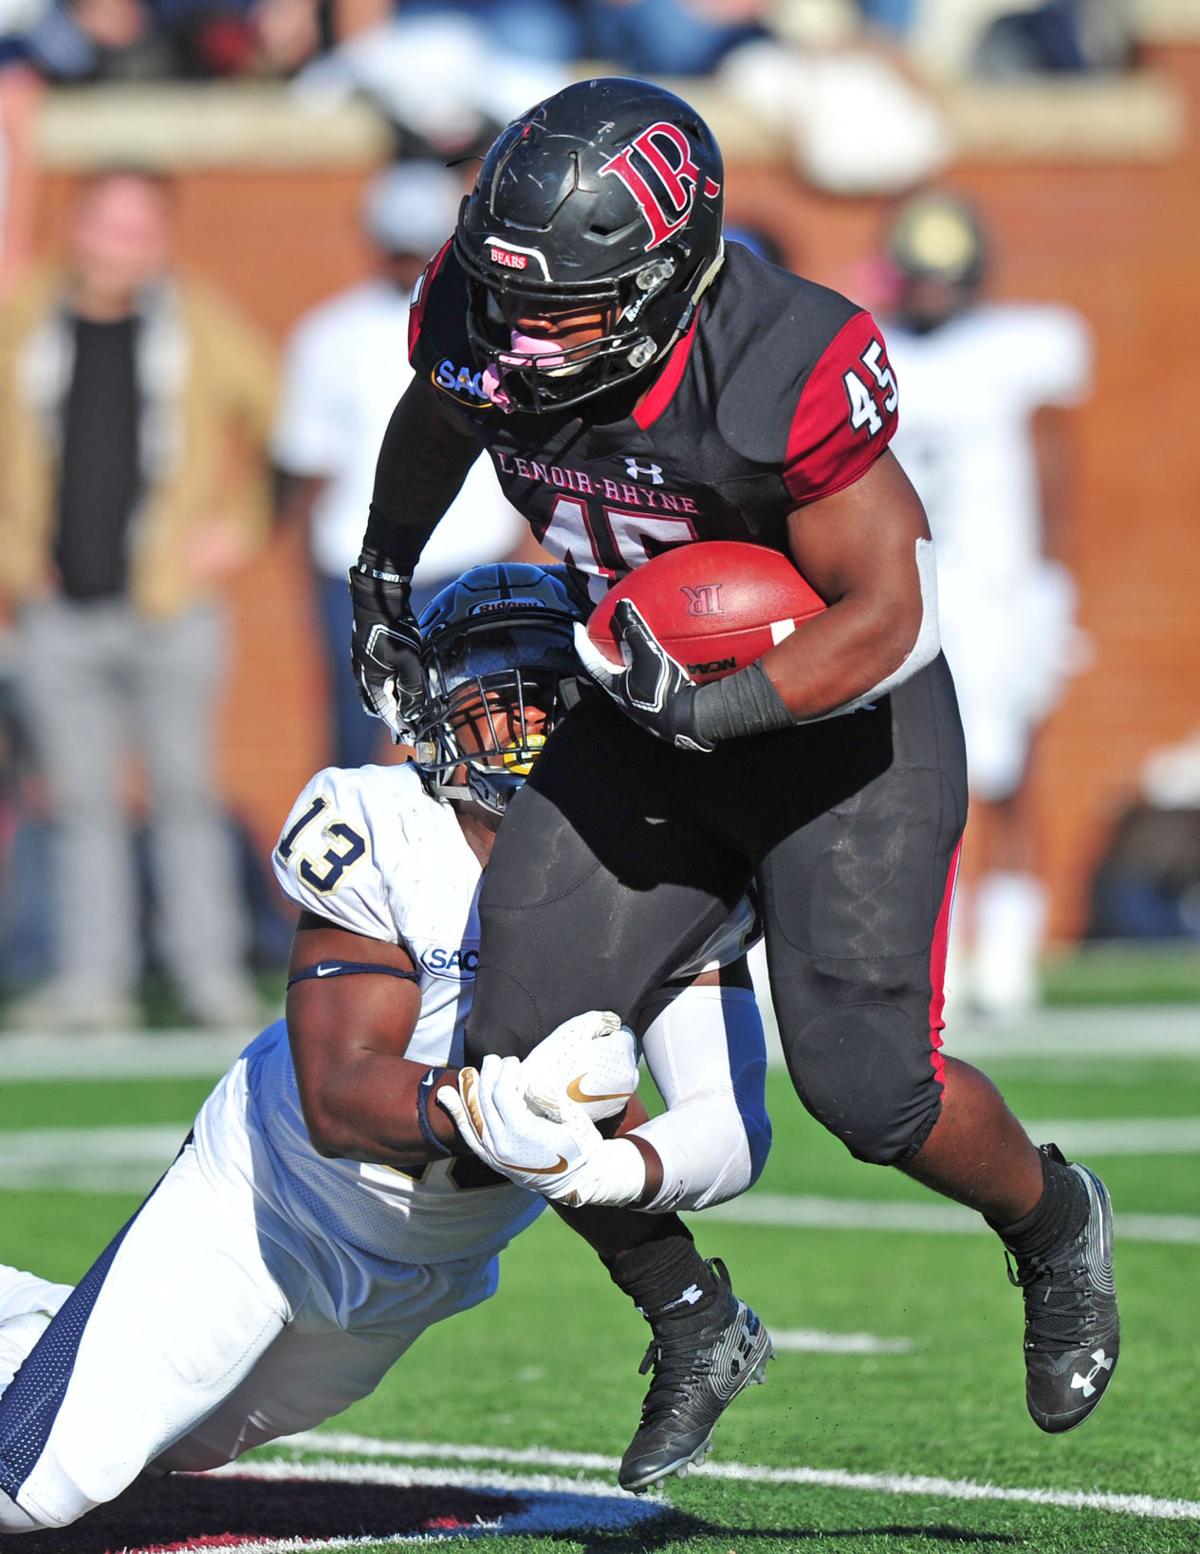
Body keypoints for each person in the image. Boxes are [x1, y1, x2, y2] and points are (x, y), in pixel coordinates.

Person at [348, 77, 1119, 1475]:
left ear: (666, 278)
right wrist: (385, 567)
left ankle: (1053, 1221)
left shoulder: (779, 361)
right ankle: (691, 1313)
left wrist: (725, 704)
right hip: (643, 698)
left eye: (566, 311)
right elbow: (445, 407)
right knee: (511, 1064)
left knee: (871, 1094)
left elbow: (894, 613)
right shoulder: (489, 317)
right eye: (509, 303)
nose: (523, 337)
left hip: (837, 725)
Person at [0, 561, 773, 1535]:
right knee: (34, 1488)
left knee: (167, 1440)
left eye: (555, 699)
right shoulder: (384, 825)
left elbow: (716, 1126)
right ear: (432, 712)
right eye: (499, 699)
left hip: (428, 1263)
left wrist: (608, 1171)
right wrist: (484, 1111)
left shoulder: (655, 859)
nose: (532, 727)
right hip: (271, 1202)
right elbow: (338, 1096)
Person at [0, 166, 276, 1032]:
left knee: (186, 793)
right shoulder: (23, 322)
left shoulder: (196, 322)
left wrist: (238, 527)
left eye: (142, 228)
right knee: (79, 803)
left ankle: (207, 976)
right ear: (77, 227)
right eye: (110, 225)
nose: (124, 245)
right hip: (56, 606)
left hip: (172, 606)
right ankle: (94, 985)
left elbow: (279, 421)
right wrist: (14, 555)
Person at [881, 189, 1091, 1020]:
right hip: (909, 590)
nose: (933, 290)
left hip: (998, 589)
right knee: (917, 779)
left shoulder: (1017, 350)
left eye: (947, 275)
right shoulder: (875, 348)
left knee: (1006, 774)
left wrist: (1052, 579)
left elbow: (1055, 468)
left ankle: (1008, 952)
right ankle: (943, 951)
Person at [272, 159, 525, 768]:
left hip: (468, 557)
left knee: (482, 736)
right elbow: (307, 464)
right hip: (361, 564)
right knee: (359, 733)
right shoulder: (328, 334)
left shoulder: (496, 326)